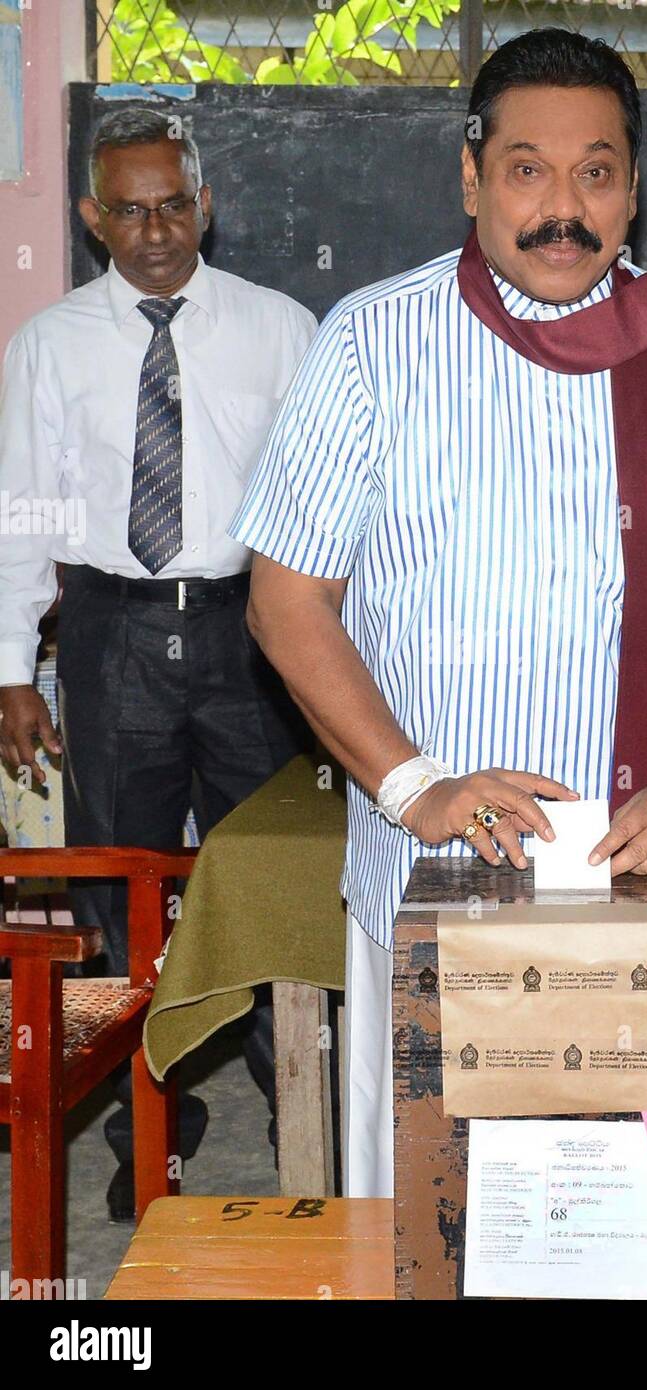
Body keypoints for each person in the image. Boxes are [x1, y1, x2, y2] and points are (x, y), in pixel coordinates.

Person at [229, 28, 647, 1199]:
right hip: (424, 882)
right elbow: (285, 601)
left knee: (619, 1233)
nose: (561, 208)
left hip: (631, 892)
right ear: (469, 178)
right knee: (424, 1236)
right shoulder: (370, 343)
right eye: (526, 169)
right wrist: (417, 786)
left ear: (631, 189)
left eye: (594, 173)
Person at [0, 108, 316, 1219]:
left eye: (173, 204)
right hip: (109, 634)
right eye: (128, 211)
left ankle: (305, 1122)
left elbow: (330, 510)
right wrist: (8, 667)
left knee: (279, 881)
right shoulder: (48, 344)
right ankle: (153, 1132)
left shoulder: (285, 331)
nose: (154, 230)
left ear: (205, 204)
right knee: (118, 901)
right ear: (92, 216)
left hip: (254, 638)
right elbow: (20, 512)